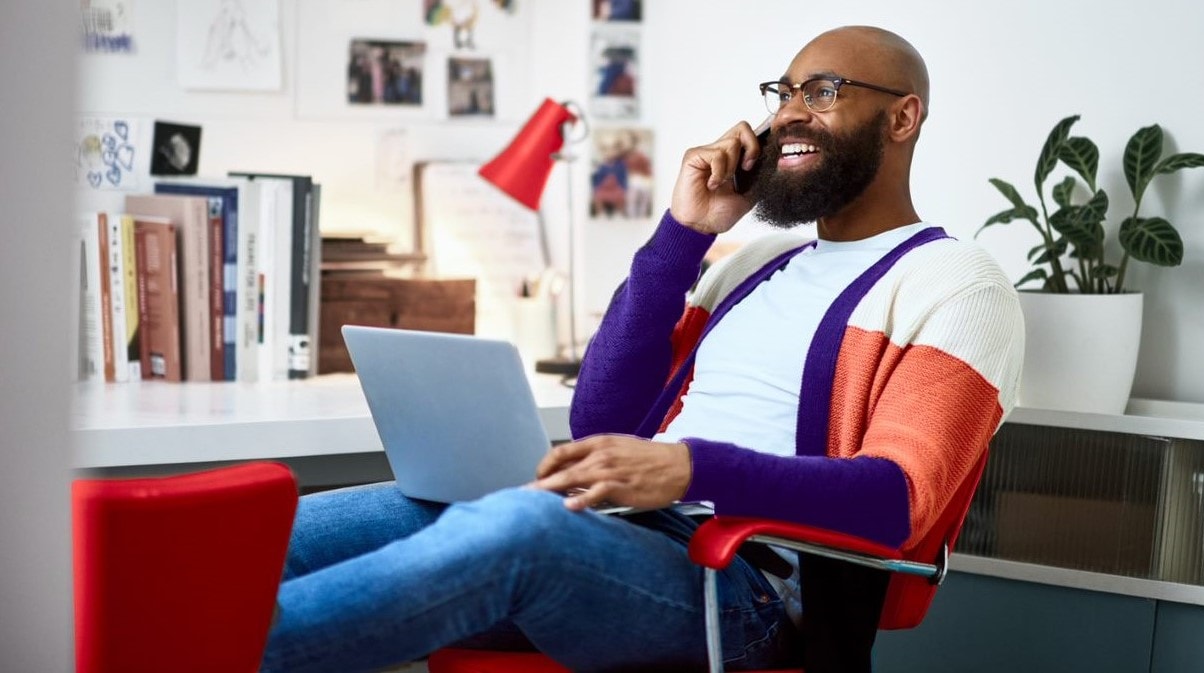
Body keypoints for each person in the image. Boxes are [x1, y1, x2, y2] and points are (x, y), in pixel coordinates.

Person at [260, 25, 1023, 673]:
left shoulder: (956, 284)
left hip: (740, 586)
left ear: (902, 118)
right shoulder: (750, 263)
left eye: (821, 92)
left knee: (519, 529)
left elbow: (895, 502)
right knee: (287, 531)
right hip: (614, 530)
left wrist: (690, 468)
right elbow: (604, 415)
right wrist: (685, 231)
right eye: (782, 93)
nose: (788, 115)